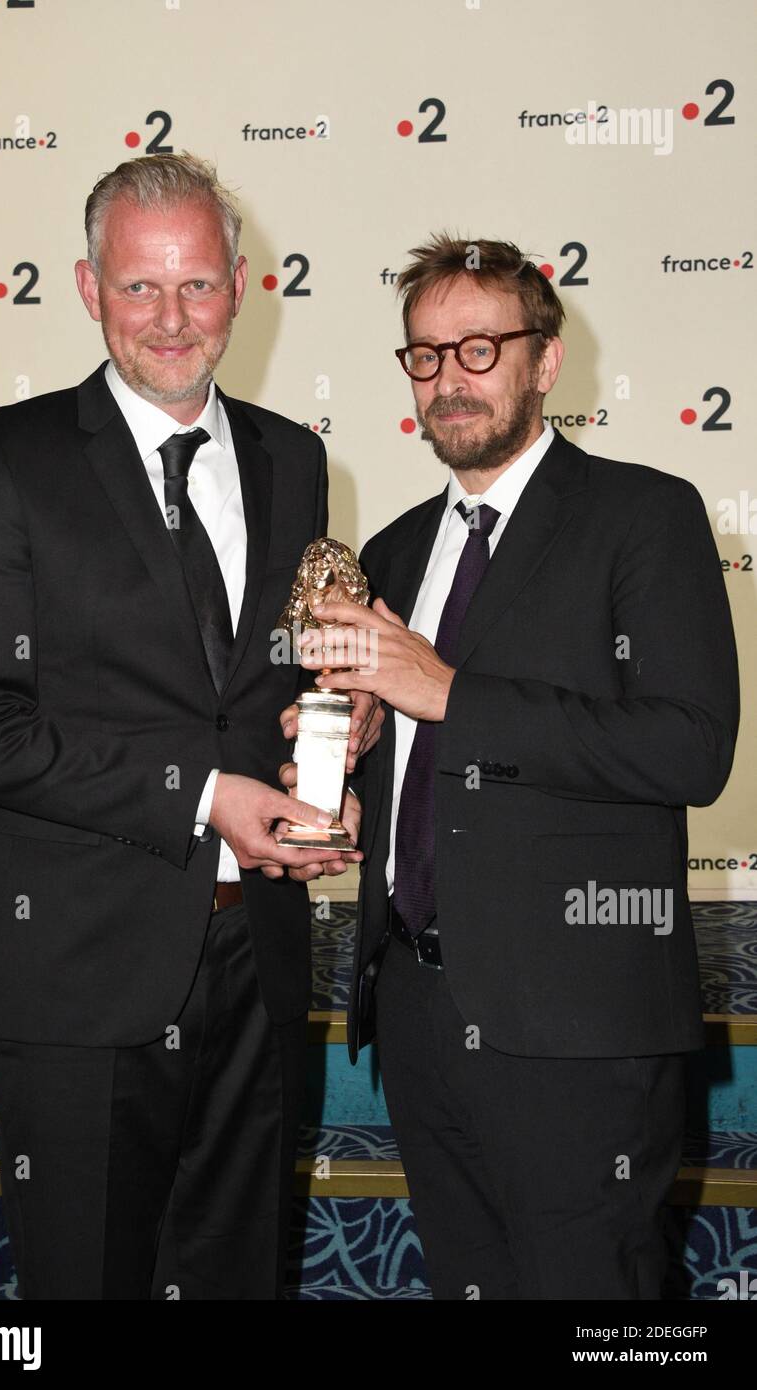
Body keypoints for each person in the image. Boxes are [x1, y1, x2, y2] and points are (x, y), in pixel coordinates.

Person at [0, 152, 378, 1300]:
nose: (172, 320)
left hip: (258, 956)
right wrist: (202, 796)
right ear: (87, 289)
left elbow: (271, 681)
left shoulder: (295, 458)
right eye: (140, 288)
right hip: (82, 965)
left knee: (239, 1276)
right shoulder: (9, 456)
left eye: (199, 285)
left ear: (240, 284)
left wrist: (334, 743)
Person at [294, 234, 739, 1299]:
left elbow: (690, 746)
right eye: (425, 355)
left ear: (546, 360)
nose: (449, 377)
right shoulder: (395, 548)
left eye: (480, 349)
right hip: (416, 1010)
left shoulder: (645, 514)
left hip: (579, 1024)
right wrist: (346, 765)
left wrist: (448, 691)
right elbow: (422, 761)